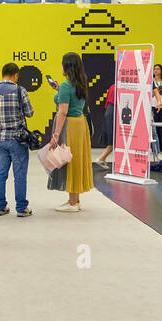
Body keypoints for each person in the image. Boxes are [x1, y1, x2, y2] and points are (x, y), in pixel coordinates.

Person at [48, 52, 94, 212]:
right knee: (76, 159)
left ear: (66, 66)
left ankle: (72, 203)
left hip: (70, 126)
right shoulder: (79, 83)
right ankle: (75, 199)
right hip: (80, 123)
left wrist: (55, 135)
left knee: (70, 161)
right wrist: (59, 89)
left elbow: (62, 112)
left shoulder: (67, 86)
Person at [0, 62, 33, 217]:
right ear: (16, 75)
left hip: (1, 138)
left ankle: (0, 206)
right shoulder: (20, 91)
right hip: (17, 139)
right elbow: (30, 112)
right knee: (19, 174)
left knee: (0, 173)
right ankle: (21, 208)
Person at [97, 80, 117, 170]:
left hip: (109, 111)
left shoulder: (113, 86)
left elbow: (106, 102)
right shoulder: (121, 87)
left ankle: (102, 158)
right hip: (114, 112)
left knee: (112, 140)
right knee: (113, 141)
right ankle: (101, 158)